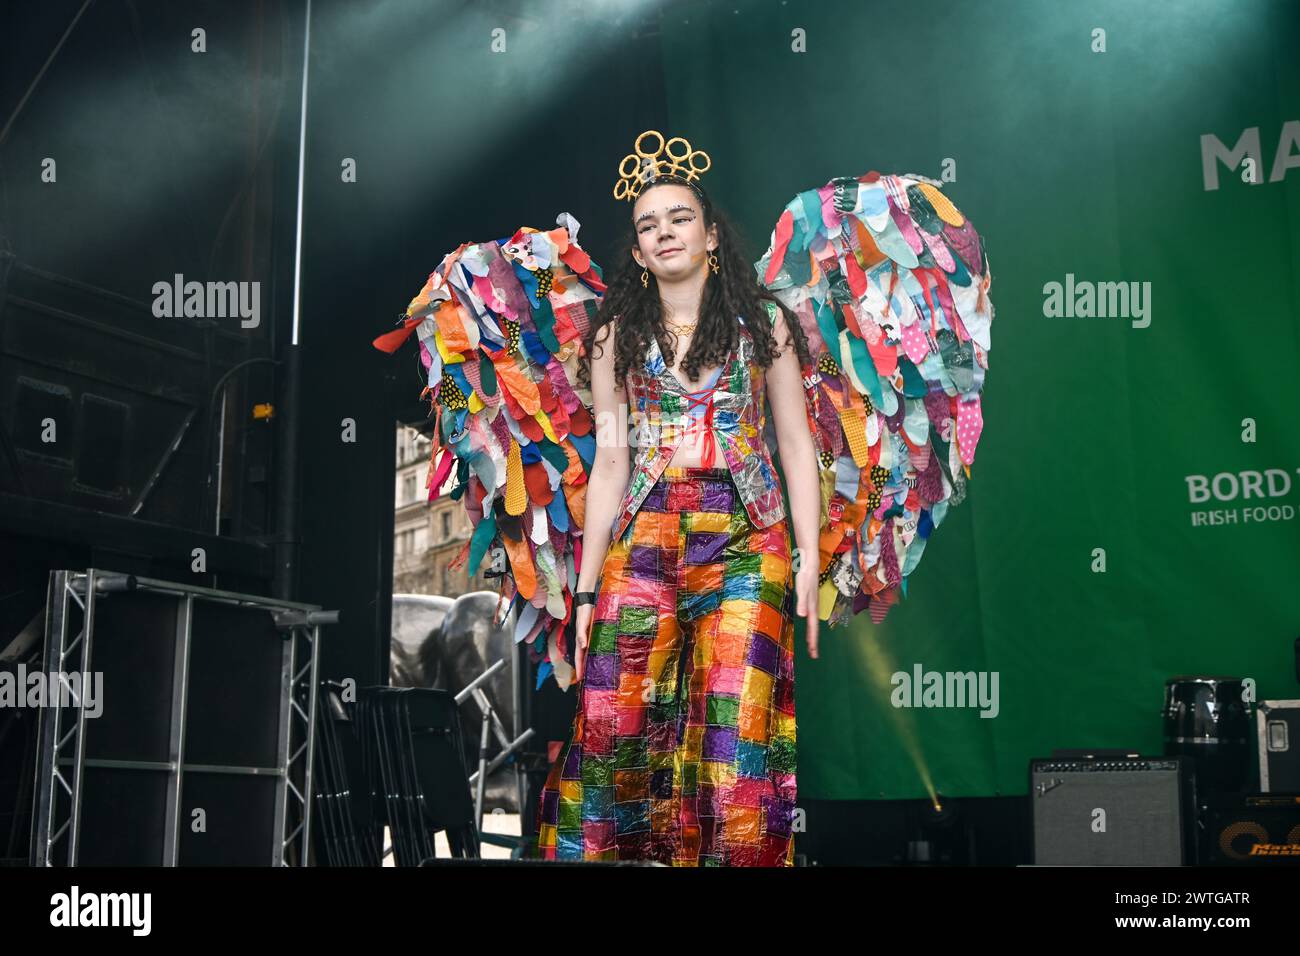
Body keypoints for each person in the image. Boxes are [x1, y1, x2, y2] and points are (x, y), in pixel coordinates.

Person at [534, 132, 821, 866]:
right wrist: (588, 587)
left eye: (679, 217)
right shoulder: (612, 340)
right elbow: (609, 460)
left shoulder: (767, 325)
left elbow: (796, 446)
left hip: (747, 545)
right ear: (636, 252)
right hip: (646, 540)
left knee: (734, 747)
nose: (664, 231)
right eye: (648, 225)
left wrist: (812, 561)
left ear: (712, 234)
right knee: (609, 726)